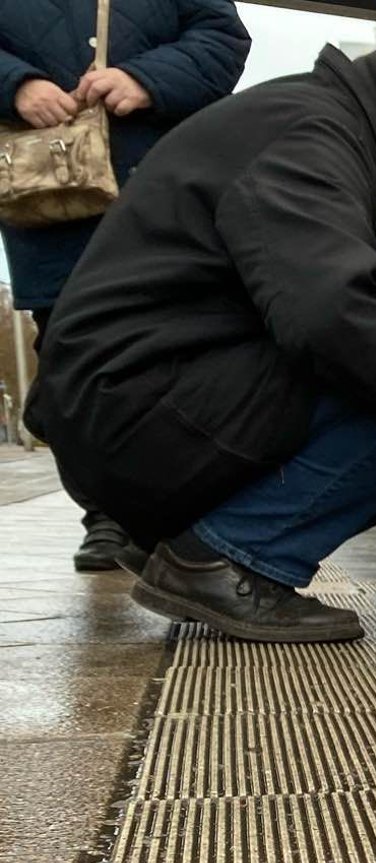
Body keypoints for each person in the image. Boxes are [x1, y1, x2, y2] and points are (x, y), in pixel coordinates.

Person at [26, 48, 376, 644]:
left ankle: (201, 534)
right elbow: (334, 321)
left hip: (138, 403)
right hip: (128, 410)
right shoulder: (312, 136)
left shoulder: (331, 135)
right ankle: (225, 560)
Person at [0, 0, 251, 573]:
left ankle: (186, 510)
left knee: (185, 354)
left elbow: (224, 38)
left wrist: (145, 78)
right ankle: (106, 516)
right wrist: (17, 85)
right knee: (72, 368)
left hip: (165, 194)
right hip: (51, 200)